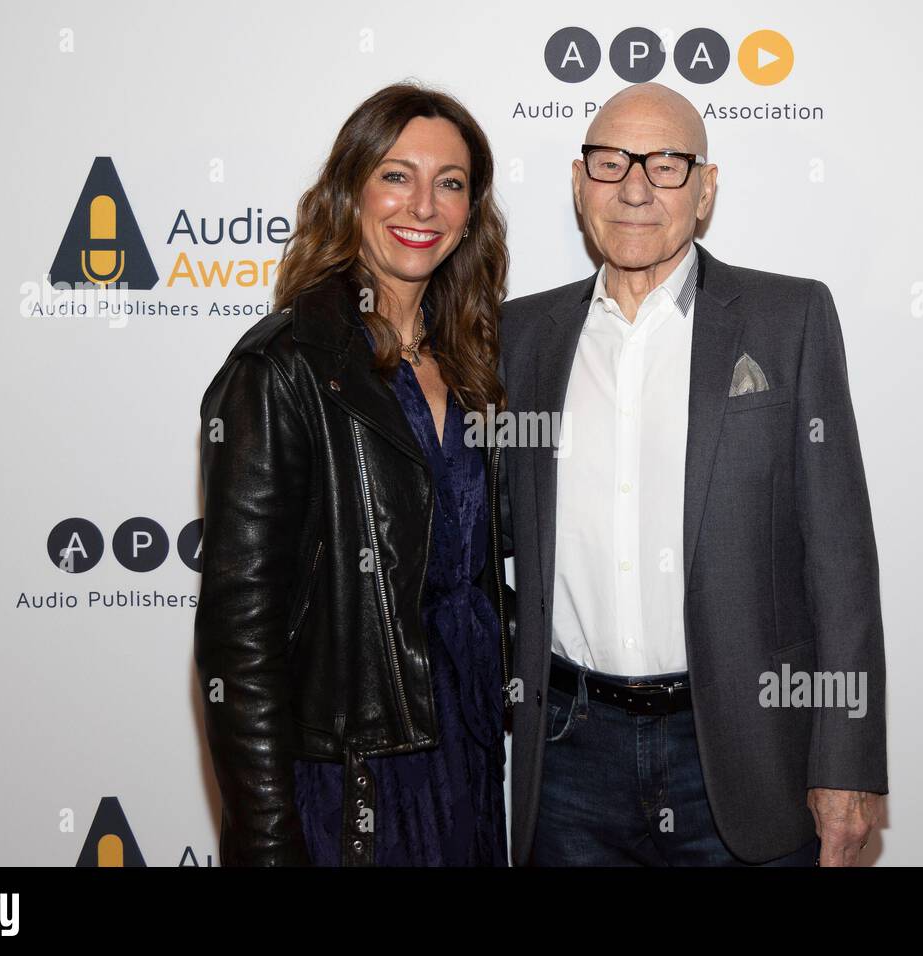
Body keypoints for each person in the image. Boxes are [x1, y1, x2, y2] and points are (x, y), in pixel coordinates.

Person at [498, 82, 887, 866]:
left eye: (667, 164)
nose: (636, 187)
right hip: (570, 756)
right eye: (610, 164)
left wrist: (845, 759)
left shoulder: (788, 319)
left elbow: (840, 558)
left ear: (705, 190)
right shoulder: (518, 337)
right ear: (580, 186)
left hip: (743, 752)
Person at [194, 81, 513, 866]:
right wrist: (269, 840)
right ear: (351, 192)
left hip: (469, 741)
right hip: (355, 774)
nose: (424, 206)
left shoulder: (476, 361)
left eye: (451, 184)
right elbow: (240, 641)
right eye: (396, 176)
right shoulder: (284, 368)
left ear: (471, 212)